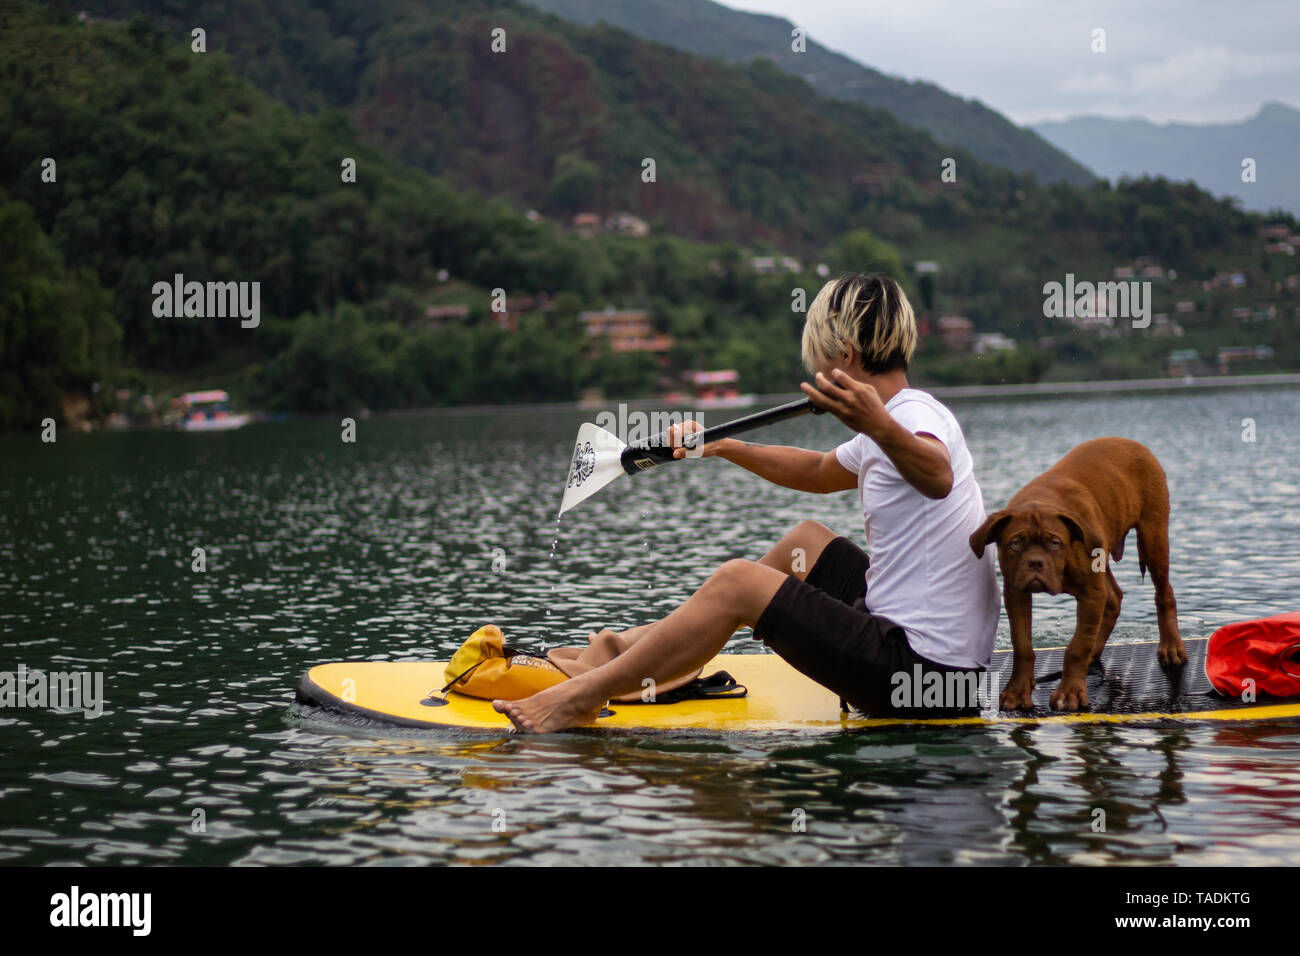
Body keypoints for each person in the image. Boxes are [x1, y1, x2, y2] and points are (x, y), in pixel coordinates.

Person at [495, 274, 1000, 732]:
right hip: (928, 663)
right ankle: (627, 656)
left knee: (739, 581)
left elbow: (937, 475)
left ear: (843, 354)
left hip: (927, 681)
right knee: (806, 541)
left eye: (820, 359)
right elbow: (821, 472)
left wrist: (877, 425)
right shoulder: (893, 417)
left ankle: (584, 695)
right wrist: (721, 446)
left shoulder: (908, 416)